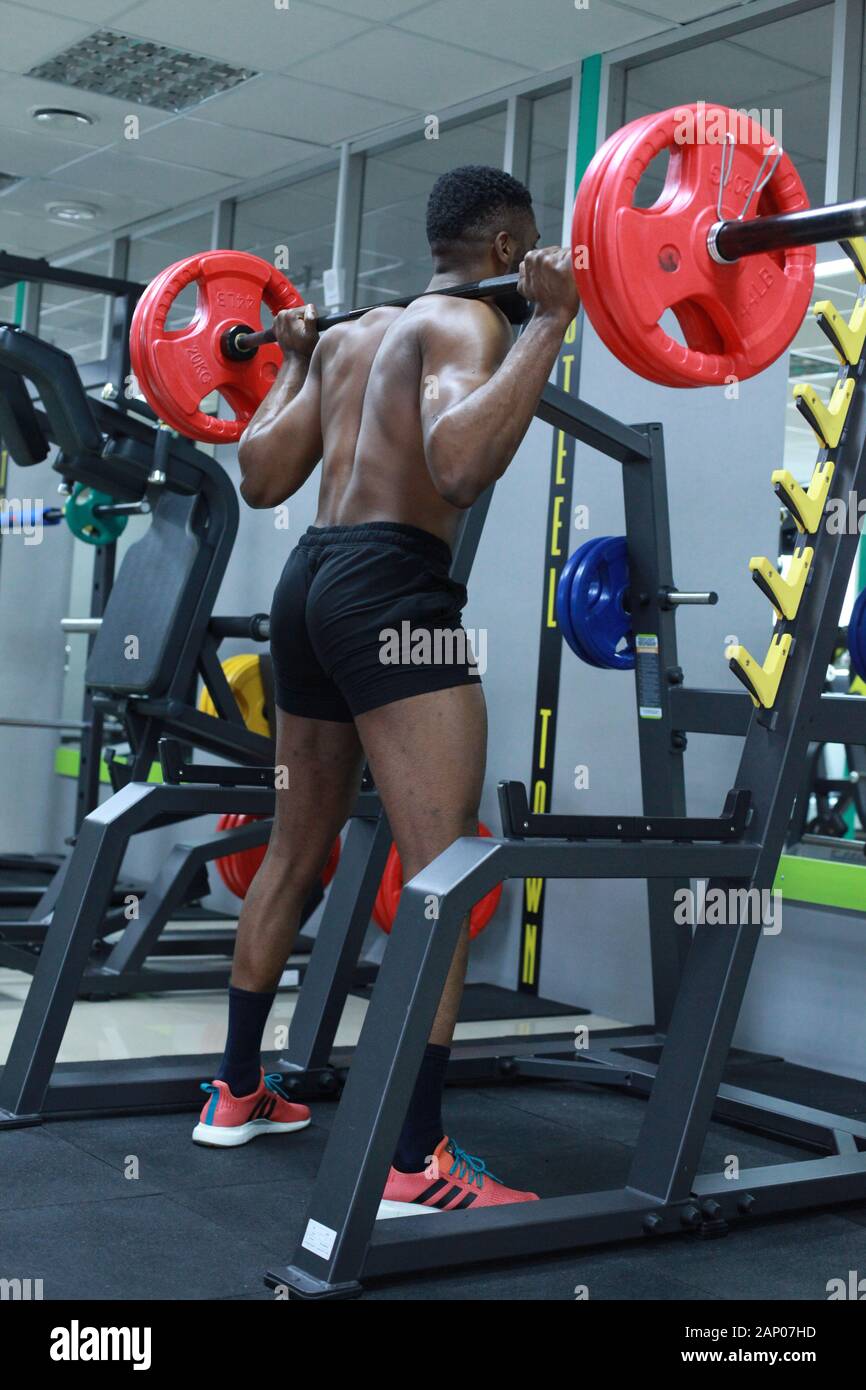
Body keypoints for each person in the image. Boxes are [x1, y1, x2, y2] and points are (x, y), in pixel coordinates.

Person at [193, 165, 580, 1212]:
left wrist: (289, 363)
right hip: (391, 587)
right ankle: (416, 1160)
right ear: (507, 249)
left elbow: (263, 475)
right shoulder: (466, 327)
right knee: (444, 872)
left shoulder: (354, 338)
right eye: (531, 250)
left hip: (306, 581)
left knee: (291, 846)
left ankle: (234, 1091)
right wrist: (546, 327)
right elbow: (456, 467)